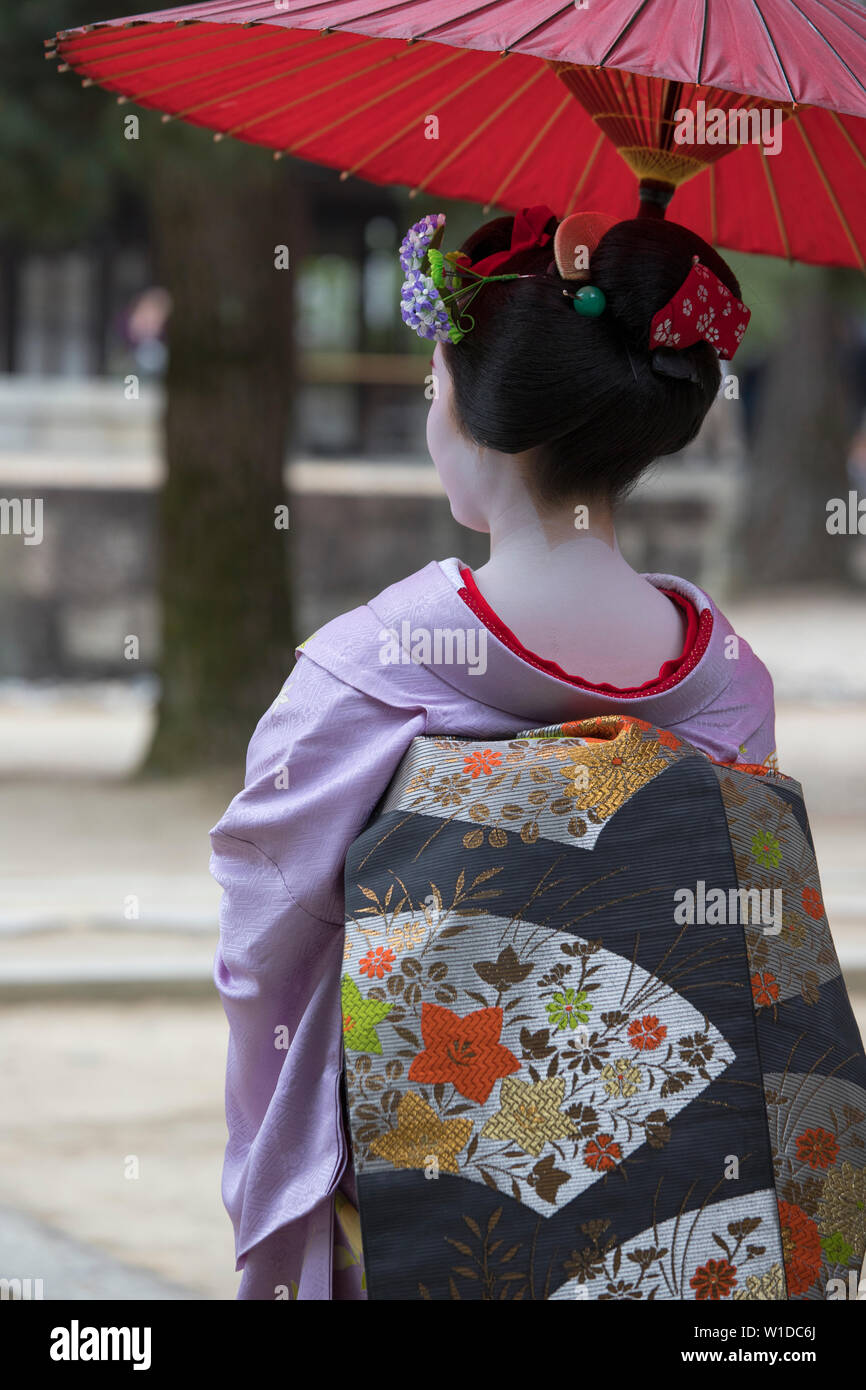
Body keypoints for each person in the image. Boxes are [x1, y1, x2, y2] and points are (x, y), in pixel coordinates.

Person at [209, 206, 774, 1299]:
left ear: (477, 417)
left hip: (418, 1214)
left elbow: (265, 946)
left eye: (433, 390)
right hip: (657, 1216)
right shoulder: (727, 684)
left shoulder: (367, 668)